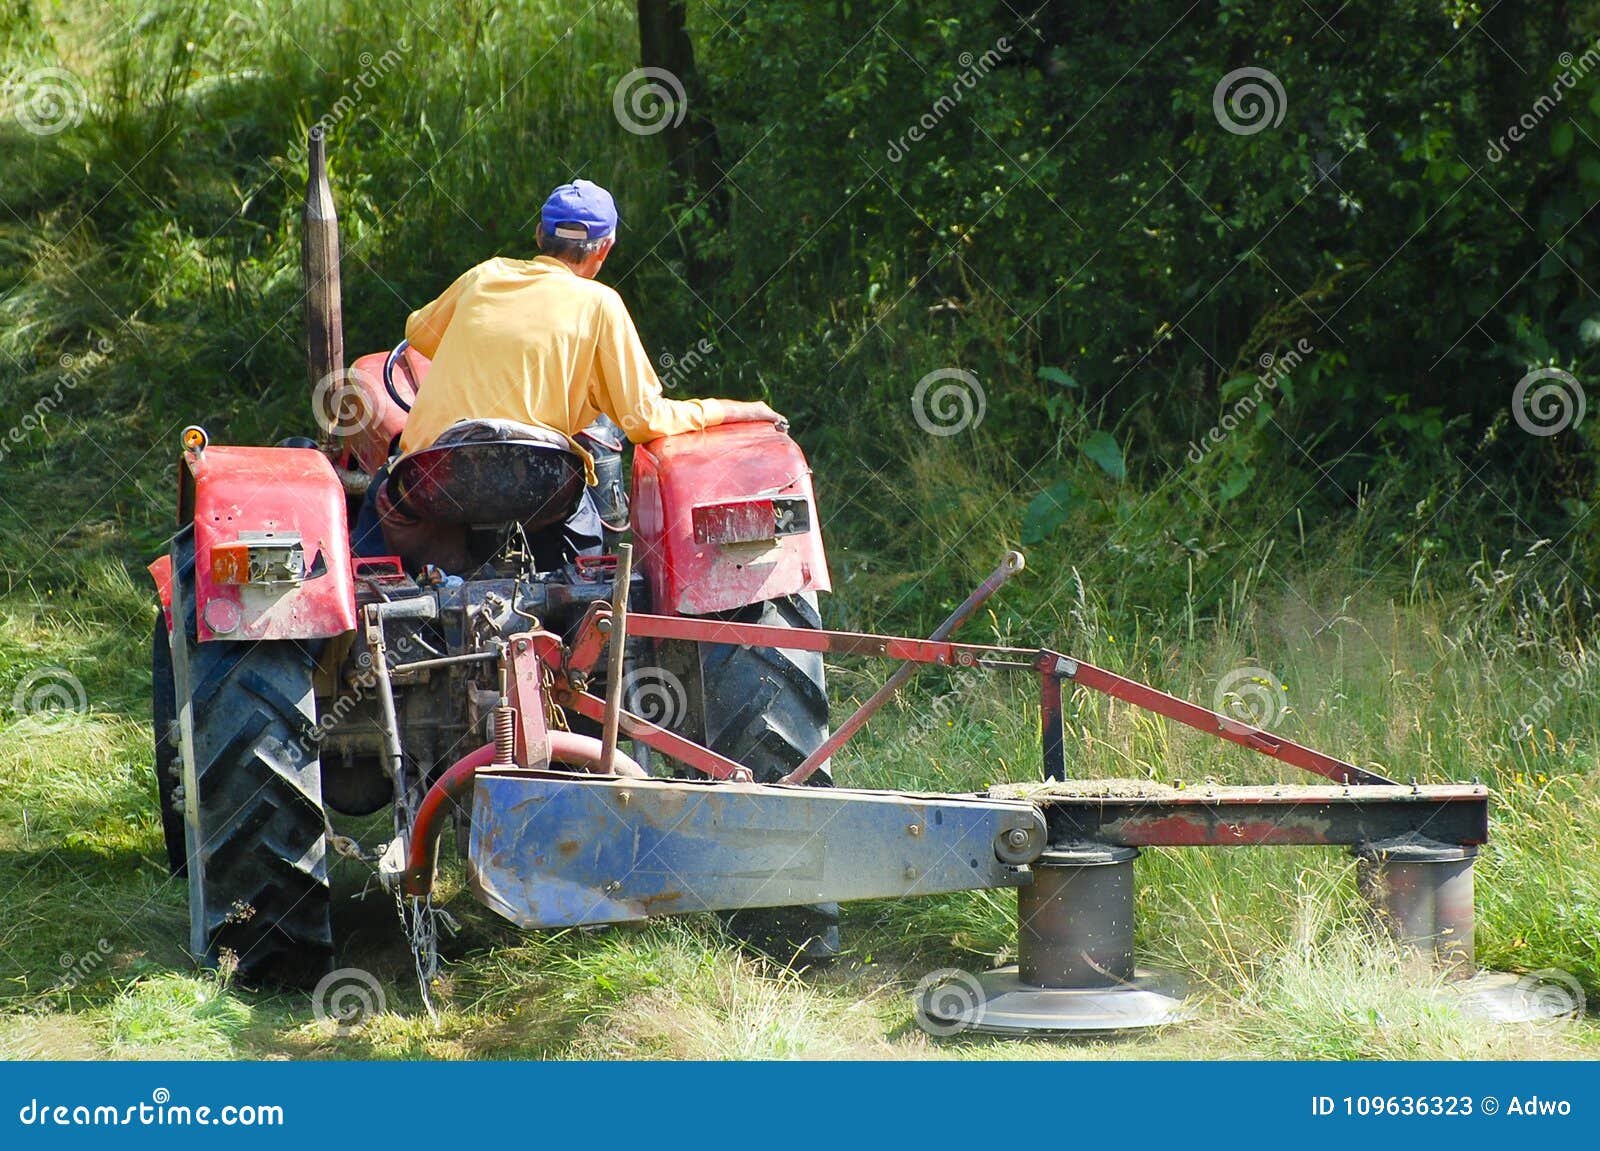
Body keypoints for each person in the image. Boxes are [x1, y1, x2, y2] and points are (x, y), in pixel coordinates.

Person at [356, 178, 784, 570]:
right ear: (605, 249)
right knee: (583, 547)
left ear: (540, 235)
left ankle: (337, 629)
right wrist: (733, 408)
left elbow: (419, 333)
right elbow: (644, 422)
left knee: (379, 501)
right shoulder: (602, 305)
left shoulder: (485, 276)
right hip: (540, 486)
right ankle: (584, 616)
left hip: (436, 481)